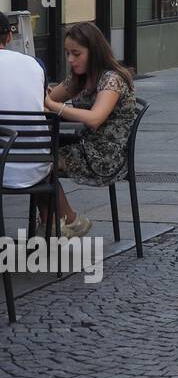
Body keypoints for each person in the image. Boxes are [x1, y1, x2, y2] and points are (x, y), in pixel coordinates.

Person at [40, 22, 142, 238]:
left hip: (105, 157)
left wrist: (55, 107)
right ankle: (55, 223)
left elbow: (95, 119)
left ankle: (68, 221)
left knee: (38, 164)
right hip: (84, 145)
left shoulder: (112, 79)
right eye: (68, 53)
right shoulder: (79, 78)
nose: (70, 60)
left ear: (94, 51)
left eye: (76, 53)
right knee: (34, 157)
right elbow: (48, 99)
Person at [0, 11, 56, 212]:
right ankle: (59, 222)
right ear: (9, 37)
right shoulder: (34, 64)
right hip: (37, 166)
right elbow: (44, 105)